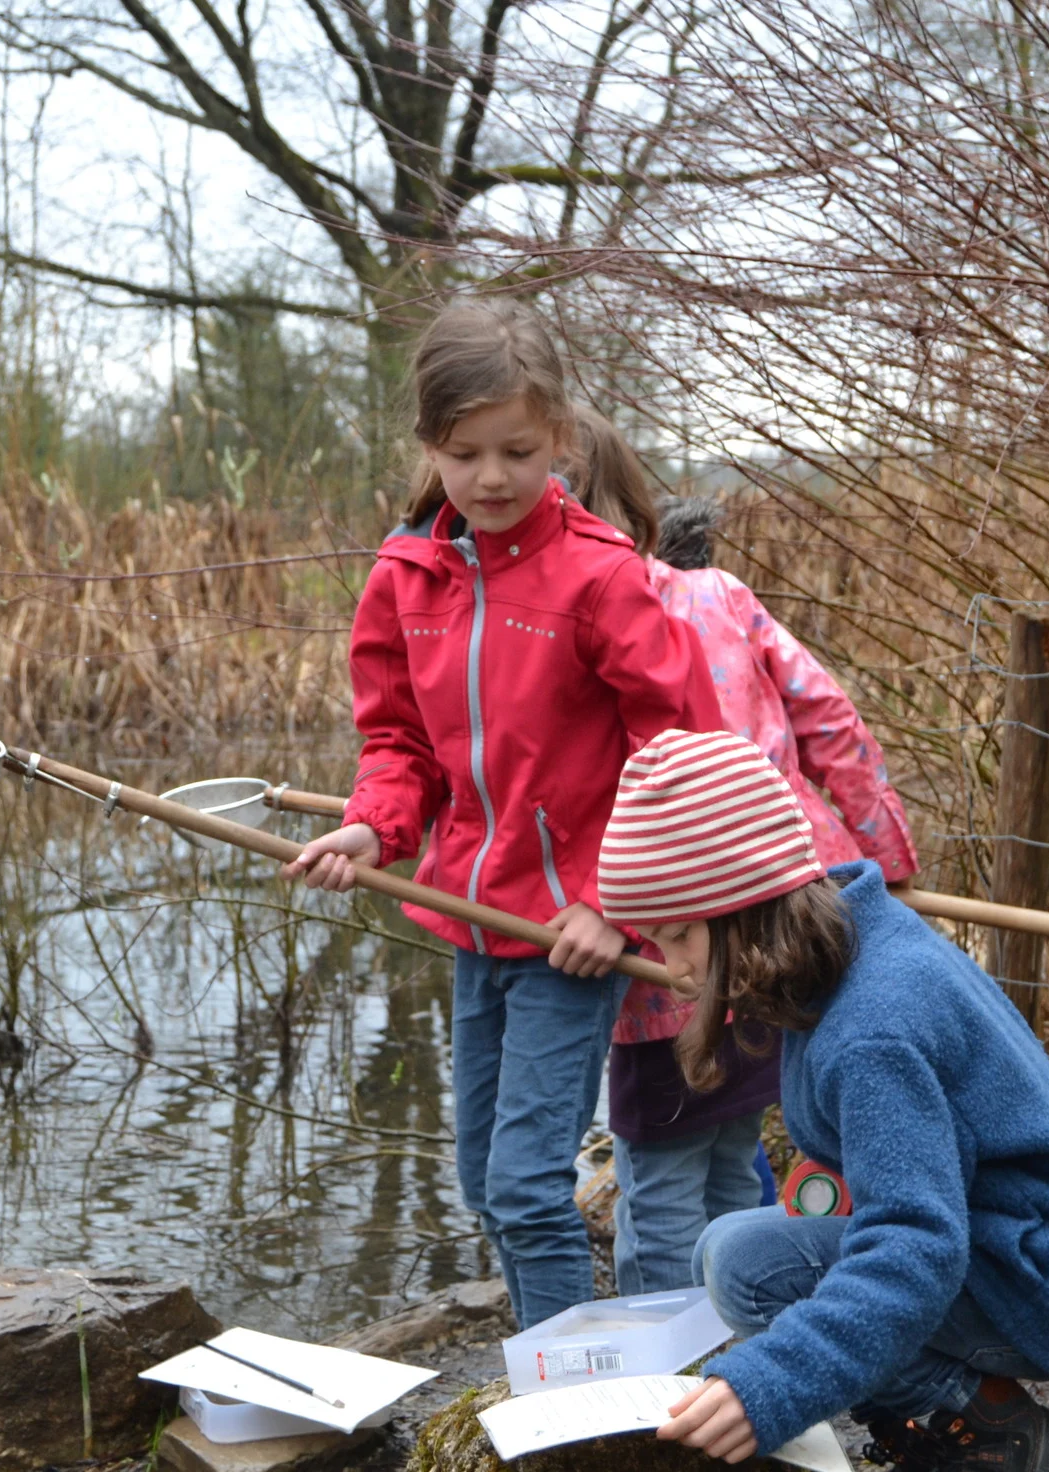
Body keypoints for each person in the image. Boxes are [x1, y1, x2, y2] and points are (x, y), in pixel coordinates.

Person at [593, 728, 1049, 1472]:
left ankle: (999, 1438)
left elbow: (915, 1247)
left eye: (678, 936)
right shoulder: (847, 944)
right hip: (1012, 1242)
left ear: (741, 903)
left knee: (757, 1272)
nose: (671, 968)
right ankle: (944, 1434)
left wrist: (770, 1384)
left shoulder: (873, 1028)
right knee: (736, 1252)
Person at [283, 302, 722, 1332]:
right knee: (487, 1184)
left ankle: (572, 1393)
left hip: (571, 933)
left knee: (528, 1186)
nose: (490, 478)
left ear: (561, 438)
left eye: (517, 451)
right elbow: (398, 745)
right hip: (474, 919)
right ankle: (554, 1362)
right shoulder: (406, 574)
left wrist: (616, 904)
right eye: (463, 452)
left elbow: (682, 751)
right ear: (428, 447)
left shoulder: (602, 577)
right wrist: (372, 830)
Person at [567, 409, 920, 1295]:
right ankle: (742, 1322)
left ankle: (668, 1365)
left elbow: (568, 790)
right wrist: (882, 852)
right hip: (781, 914)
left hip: (666, 949)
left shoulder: (571, 624)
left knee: (658, 1172)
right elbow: (828, 713)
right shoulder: (719, 594)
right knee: (731, 1146)